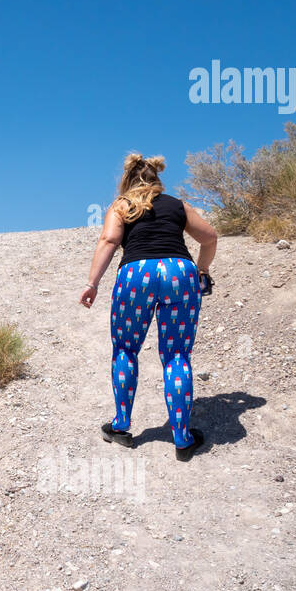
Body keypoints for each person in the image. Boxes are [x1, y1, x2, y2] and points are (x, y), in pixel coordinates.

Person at [79, 154, 218, 461]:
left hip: (135, 275)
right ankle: (182, 437)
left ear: (127, 179)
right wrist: (203, 270)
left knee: (125, 350)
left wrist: (92, 282)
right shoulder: (177, 205)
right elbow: (209, 236)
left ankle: (121, 425)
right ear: (157, 180)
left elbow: (109, 239)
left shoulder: (121, 205)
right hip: (180, 272)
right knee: (177, 355)